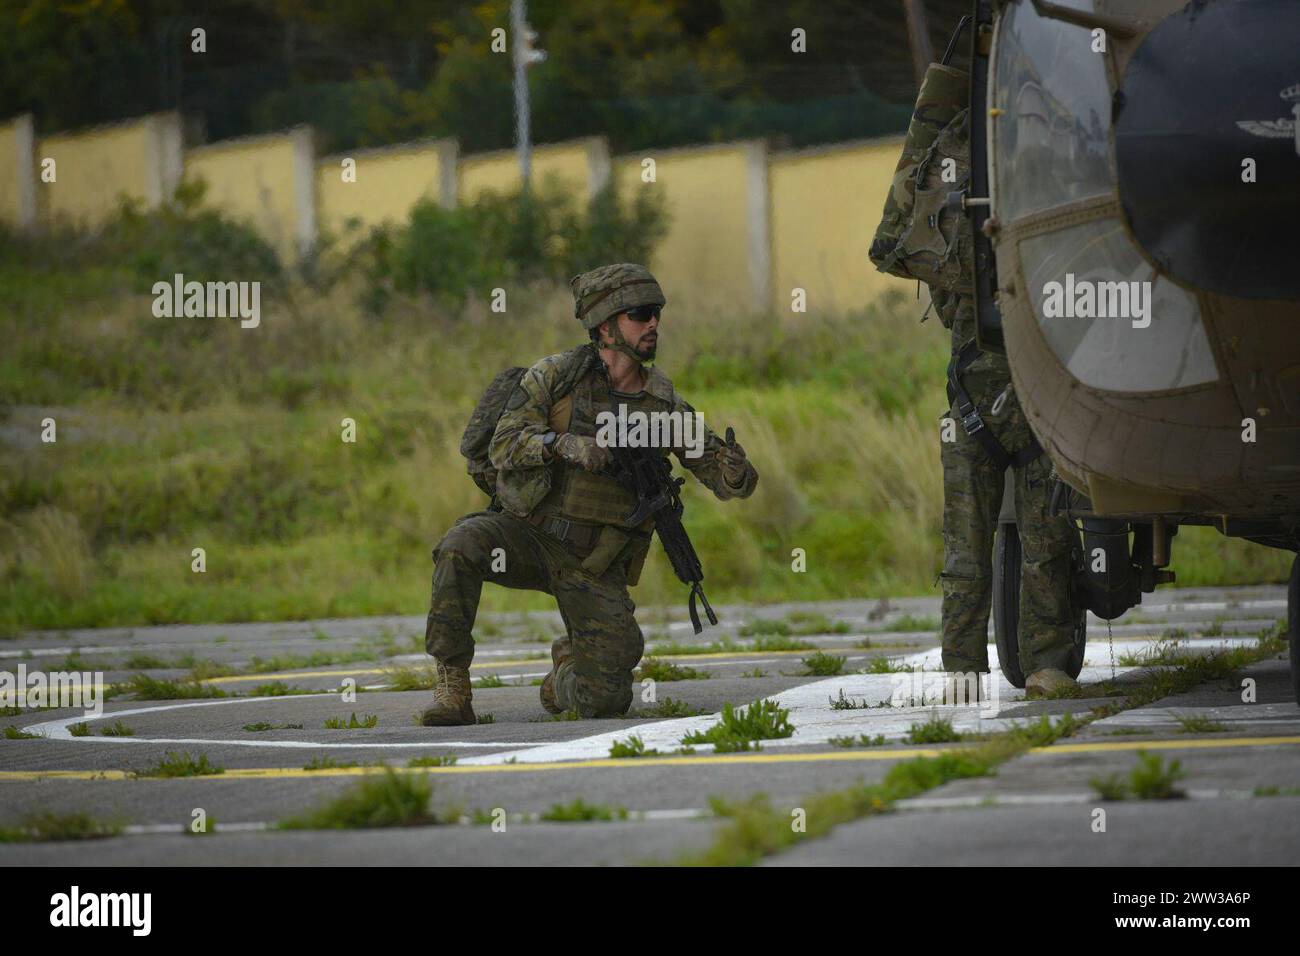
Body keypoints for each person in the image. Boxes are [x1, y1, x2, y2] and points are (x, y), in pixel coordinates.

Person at [420, 263, 758, 725]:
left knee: (604, 701)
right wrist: (561, 444)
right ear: (606, 326)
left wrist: (735, 470)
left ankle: (564, 673)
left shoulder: (662, 404)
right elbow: (503, 443)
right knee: (460, 546)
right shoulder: (557, 377)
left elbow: (721, 476)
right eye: (641, 314)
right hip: (528, 535)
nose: (654, 323)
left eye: (657, 313)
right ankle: (452, 685)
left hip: (592, 564)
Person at [933, 286, 1080, 699]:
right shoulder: (958, 227)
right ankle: (963, 673)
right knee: (966, 551)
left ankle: (1047, 666)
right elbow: (896, 253)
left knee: (1048, 544)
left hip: (1042, 410)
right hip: (975, 410)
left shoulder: (1047, 235)